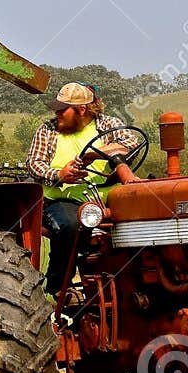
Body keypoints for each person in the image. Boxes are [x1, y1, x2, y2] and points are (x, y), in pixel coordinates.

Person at [24, 82, 141, 297]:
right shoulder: (48, 130)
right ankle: (58, 289)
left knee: (145, 214)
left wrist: (92, 154)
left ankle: (134, 283)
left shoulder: (108, 125)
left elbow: (131, 143)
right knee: (69, 226)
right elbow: (34, 163)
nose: (57, 113)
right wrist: (60, 174)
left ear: (82, 110)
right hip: (61, 199)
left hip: (107, 197)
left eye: (62, 109)